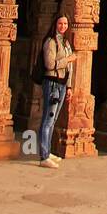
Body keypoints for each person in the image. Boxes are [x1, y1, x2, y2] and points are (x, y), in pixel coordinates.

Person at [37, 14, 76, 169]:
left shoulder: (65, 43)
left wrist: (69, 86)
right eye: (60, 23)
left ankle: (48, 151)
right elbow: (49, 64)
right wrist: (68, 59)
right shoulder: (51, 42)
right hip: (52, 83)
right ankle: (44, 156)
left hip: (61, 84)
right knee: (48, 118)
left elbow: (69, 69)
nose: (63, 26)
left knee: (52, 120)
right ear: (55, 24)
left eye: (65, 24)